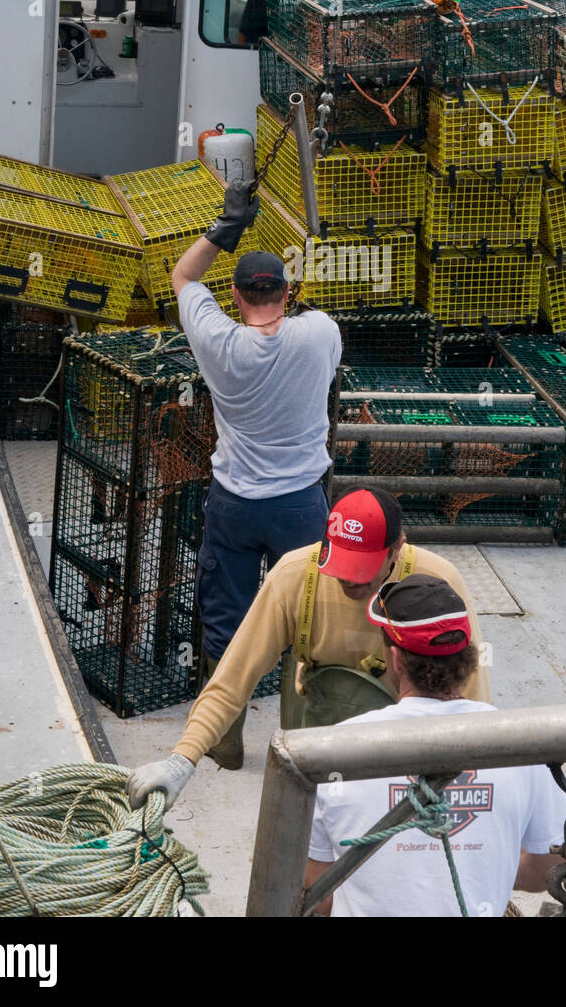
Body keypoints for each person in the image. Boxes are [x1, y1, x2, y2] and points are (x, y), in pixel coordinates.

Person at [126, 488, 492, 811]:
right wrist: (182, 759)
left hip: (401, 747)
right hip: (315, 729)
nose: (349, 580)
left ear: (397, 548)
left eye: (361, 569)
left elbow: (469, 696)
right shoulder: (296, 576)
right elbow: (230, 682)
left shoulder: (435, 584)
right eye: (342, 564)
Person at [169, 178, 341, 768]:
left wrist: (225, 227)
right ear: (286, 292)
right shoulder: (320, 334)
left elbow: (184, 278)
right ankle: (301, 742)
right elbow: (314, 333)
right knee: (309, 617)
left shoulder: (218, 341)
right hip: (300, 505)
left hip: (235, 503)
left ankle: (223, 739)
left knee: (229, 618)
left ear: (238, 297)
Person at [304, 574, 566, 918]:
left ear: (396, 658)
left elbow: (320, 894)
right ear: (467, 657)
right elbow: (549, 867)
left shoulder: (331, 750)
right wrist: (488, 865)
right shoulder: (520, 744)